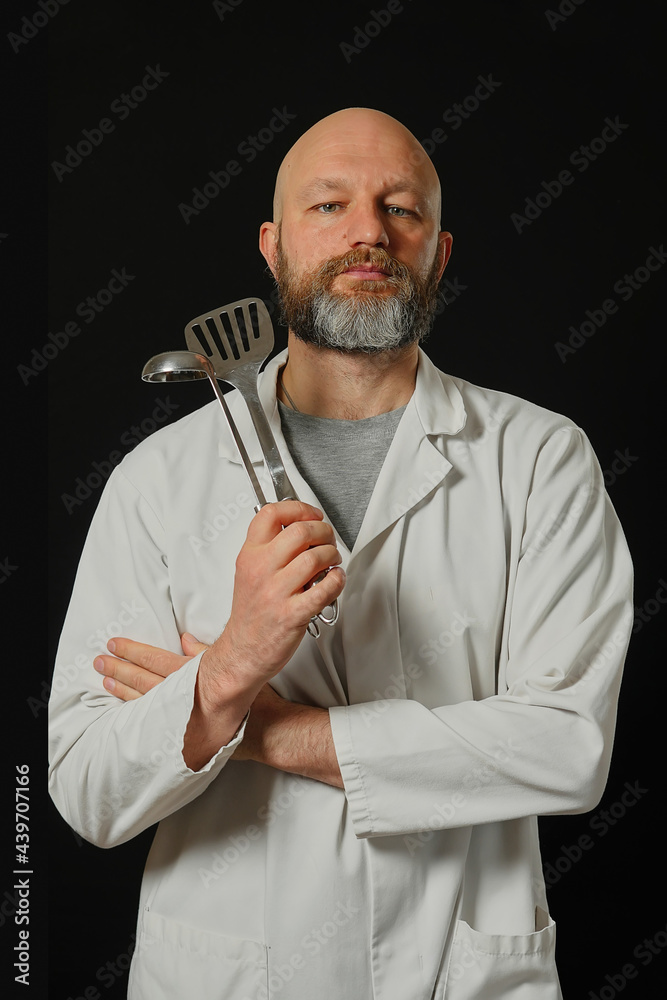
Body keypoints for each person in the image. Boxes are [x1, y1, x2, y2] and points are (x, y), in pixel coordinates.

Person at [48, 108, 633, 999]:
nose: (368, 230)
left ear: (439, 252)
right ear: (272, 248)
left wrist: (269, 730)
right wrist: (234, 664)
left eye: (401, 208)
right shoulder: (158, 480)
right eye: (330, 205)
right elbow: (88, 791)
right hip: (231, 975)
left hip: (461, 971)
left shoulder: (540, 457)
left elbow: (567, 748)